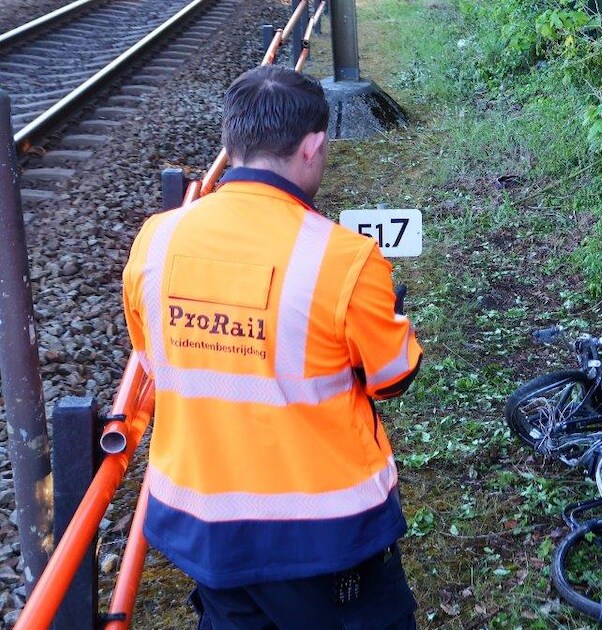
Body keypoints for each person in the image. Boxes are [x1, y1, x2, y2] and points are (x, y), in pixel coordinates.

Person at [121, 65, 423, 629]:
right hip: (325, 534)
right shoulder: (344, 259)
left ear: (231, 141)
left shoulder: (155, 240)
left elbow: (157, 359)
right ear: (312, 145)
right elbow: (392, 375)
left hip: (204, 524)